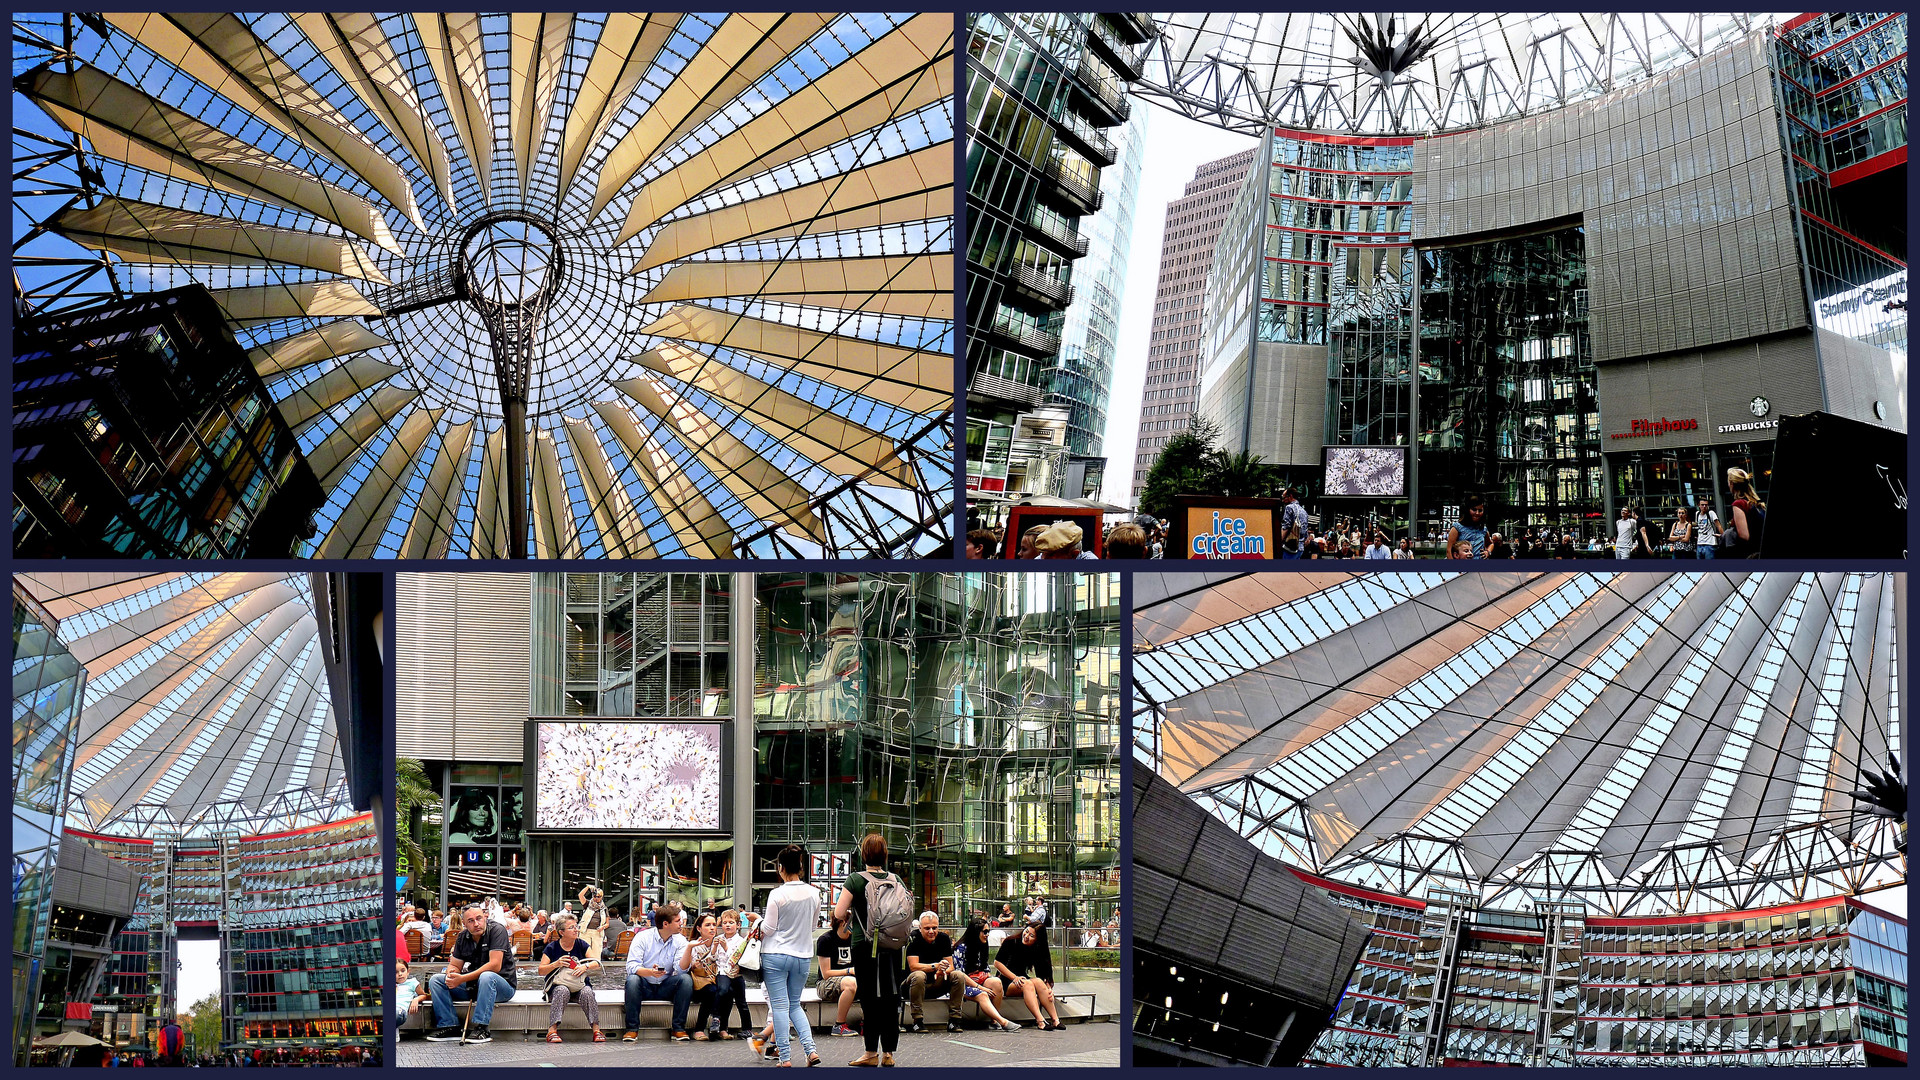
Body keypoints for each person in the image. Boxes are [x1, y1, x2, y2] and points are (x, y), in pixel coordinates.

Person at [833, 832, 906, 1067]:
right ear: (885, 855)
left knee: (870, 999)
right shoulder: (896, 880)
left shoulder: (855, 879)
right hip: (893, 946)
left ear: (863, 854)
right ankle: (889, 1054)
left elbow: (838, 912)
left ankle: (870, 1052)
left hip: (865, 947)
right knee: (890, 998)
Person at [752, 844, 822, 1068]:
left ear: (781, 868)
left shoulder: (777, 894)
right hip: (802, 956)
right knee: (794, 1005)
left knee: (780, 1008)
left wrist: (757, 922)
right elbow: (813, 926)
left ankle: (785, 1057)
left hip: (776, 955)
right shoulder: (814, 893)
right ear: (801, 866)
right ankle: (811, 1051)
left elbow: (769, 929)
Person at [425, 904, 517, 1044]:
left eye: (479, 918)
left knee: (487, 976)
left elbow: (494, 965)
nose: (476, 924)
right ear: (464, 923)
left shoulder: (497, 930)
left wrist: (462, 978)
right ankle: (450, 1026)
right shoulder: (462, 937)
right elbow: (455, 965)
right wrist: (452, 974)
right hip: (475, 986)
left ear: (485, 917)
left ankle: (482, 1028)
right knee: (436, 980)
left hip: (502, 987)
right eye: (471, 921)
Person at [622, 901, 694, 1043]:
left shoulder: (681, 940)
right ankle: (631, 1029)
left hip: (666, 985)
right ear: (666, 924)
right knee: (632, 980)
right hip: (644, 985)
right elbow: (631, 966)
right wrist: (649, 972)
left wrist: (689, 949)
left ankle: (678, 1028)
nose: (682, 924)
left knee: (685, 979)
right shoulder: (643, 937)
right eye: (678, 921)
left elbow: (680, 970)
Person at [539, 914, 605, 1044]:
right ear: (561, 932)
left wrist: (585, 966)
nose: (576, 930)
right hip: (559, 986)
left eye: (576, 926)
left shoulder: (581, 944)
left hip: (579, 986)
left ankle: (596, 1030)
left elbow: (596, 963)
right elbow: (541, 970)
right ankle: (552, 1030)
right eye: (572, 927)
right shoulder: (552, 947)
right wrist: (556, 964)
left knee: (588, 992)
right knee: (562, 991)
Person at [949, 919, 1020, 1032]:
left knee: (996, 982)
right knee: (983, 994)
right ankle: (1003, 1022)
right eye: (985, 931)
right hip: (962, 985)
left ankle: (994, 1021)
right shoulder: (961, 948)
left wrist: (984, 979)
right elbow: (959, 975)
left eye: (988, 931)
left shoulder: (983, 946)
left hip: (978, 981)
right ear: (976, 932)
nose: (987, 934)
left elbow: (985, 969)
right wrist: (980, 987)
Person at [993, 924, 1063, 1030]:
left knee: (1039, 982)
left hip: (1022, 979)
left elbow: (1043, 972)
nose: (1026, 936)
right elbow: (997, 963)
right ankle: (1040, 1021)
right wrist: (1014, 978)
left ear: (1037, 940)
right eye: (1026, 932)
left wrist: (1049, 989)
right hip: (1006, 981)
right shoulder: (1011, 941)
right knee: (1027, 984)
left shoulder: (1037, 949)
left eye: (1031, 936)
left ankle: (1055, 1020)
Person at [682, 913, 737, 1041]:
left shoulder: (719, 942)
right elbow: (688, 967)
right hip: (700, 982)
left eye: (714, 925)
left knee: (728, 991)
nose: (712, 928)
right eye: (707, 925)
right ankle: (699, 1029)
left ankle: (723, 1028)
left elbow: (728, 961)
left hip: (715, 979)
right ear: (699, 928)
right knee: (711, 992)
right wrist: (695, 965)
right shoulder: (693, 944)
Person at [903, 913, 960, 1033]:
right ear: (920, 928)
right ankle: (917, 1021)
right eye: (927, 928)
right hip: (914, 984)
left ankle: (954, 1020)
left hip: (937, 980)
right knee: (919, 975)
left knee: (958, 976)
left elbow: (951, 966)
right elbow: (914, 966)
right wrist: (935, 966)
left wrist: (942, 970)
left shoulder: (944, 938)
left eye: (934, 928)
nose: (931, 931)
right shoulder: (913, 938)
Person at [815, 914, 859, 1037]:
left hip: (850, 981)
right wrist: (849, 971)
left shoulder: (855, 940)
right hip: (826, 984)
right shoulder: (825, 940)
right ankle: (839, 1024)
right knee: (851, 982)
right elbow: (826, 973)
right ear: (842, 923)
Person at [717, 909, 758, 1039]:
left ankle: (747, 1028)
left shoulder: (741, 941)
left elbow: (736, 959)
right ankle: (723, 1027)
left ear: (738, 925)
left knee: (742, 1003)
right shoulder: (718, 940)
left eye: (731, 922)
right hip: (723, 973)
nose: (728, 925)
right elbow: (716, 958)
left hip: (736, 975)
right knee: (726, 999)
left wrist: (726, 949)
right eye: (725, 923)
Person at [1724, 468, 1766, 557]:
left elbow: (1744, 535)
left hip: (1749, 554)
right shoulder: (1757, 504)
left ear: (1731, 484)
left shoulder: (1739, 504)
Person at [579, 886, 610, 961]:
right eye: (594, 896)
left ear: (601, 897)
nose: (596, 898)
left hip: (597, 933)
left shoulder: (604, 909)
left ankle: (595, 967)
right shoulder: (587, 904)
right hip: (585, 931)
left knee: (596, 953)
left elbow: (607, 924)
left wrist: (602, 927)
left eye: (598, 896)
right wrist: (587, 887)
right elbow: (580, 895)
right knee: (583, 950)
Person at [1278, 488, 1308, 559]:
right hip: (1300, 547)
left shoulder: (1289, 507)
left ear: (1290, 496)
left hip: (1290, 547)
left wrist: (1279, 541)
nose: (1282, 500)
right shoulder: (1303, 511)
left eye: (1284, 497)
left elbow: (1286, 526)